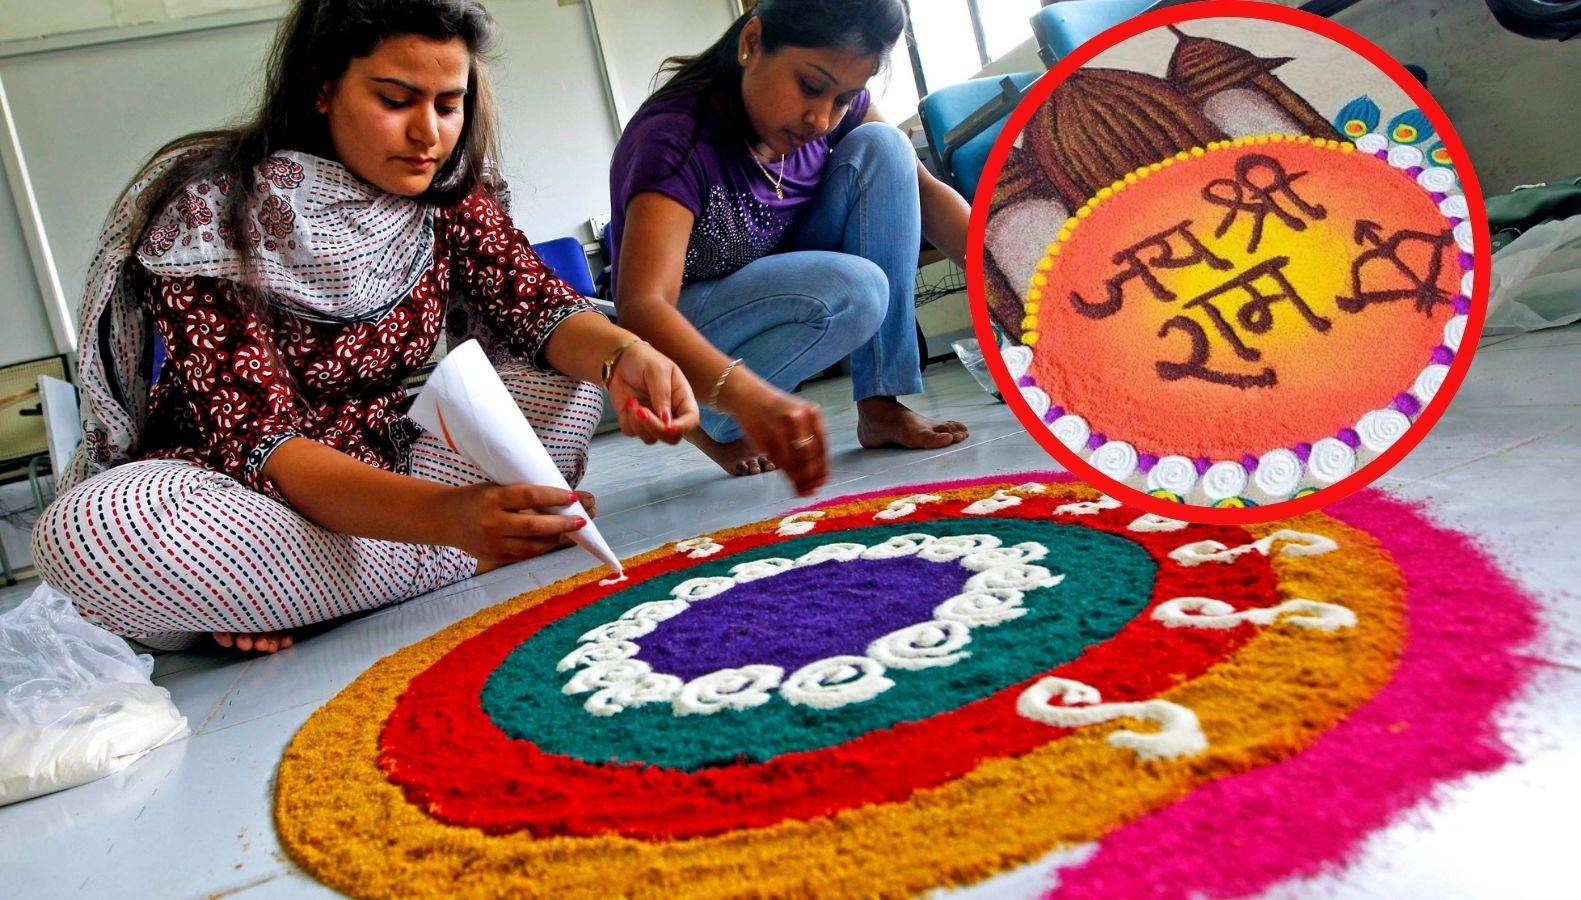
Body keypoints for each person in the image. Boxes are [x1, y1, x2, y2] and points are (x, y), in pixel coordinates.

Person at [31, 0, 697, 654]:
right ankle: (459, 556)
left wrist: (623, 359)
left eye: (447, 104)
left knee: (567, 363)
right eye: (396, 100)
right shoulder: (213, 214)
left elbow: (536, 307)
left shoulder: (445, 190)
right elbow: (262, 444)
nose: (428, 135)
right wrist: (447, 522)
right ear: (323, 87)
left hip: (396, 468)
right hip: (253, 497)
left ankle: (294, 591)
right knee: (91, 534)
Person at [608, 0, 974, 494]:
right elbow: (642, 306)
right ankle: (708, 412)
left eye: (844, 98)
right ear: (751, 42)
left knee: (888, 146)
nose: (820, 119)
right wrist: (744, 396)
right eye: (810, 86)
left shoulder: (820, 116)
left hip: (778, 279)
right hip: (689, 329)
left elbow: (925, 191)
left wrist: (1017, 282)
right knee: (857, 289)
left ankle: (882, 404)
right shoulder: (675, 138)